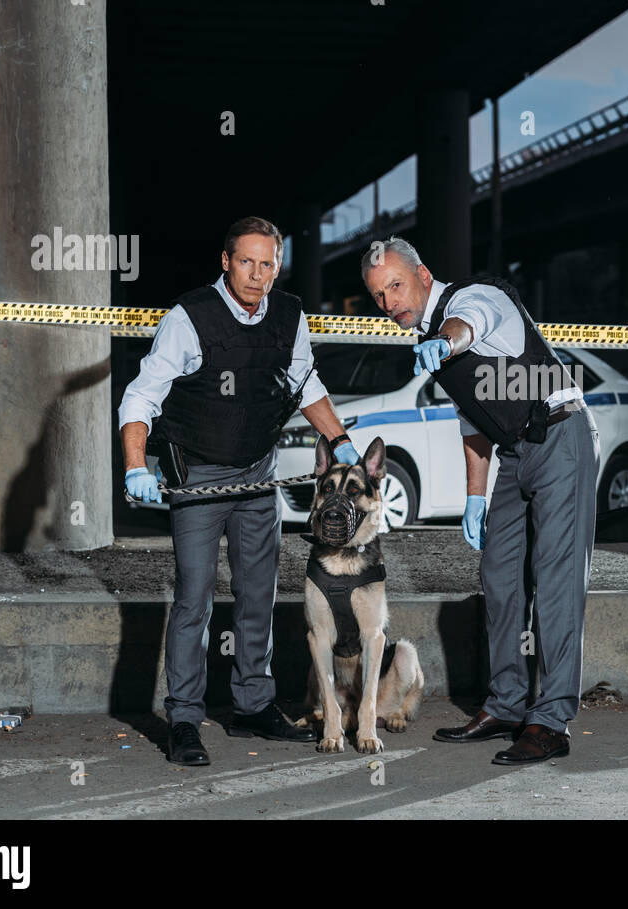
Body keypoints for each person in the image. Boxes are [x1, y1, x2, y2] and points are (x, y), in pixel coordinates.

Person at [118, 216, 360, 766]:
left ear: (278, 265)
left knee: (259, 595)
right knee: (194, 599)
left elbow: (304, 383)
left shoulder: (288, 315)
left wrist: (339, 439)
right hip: (199, 478)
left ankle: (254, 705)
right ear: (225, 262)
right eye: (246, 261)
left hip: (258, 473)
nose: (256, 274)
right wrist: (137, 465)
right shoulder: (190, 317)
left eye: (267, 263)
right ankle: (184, 717)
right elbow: (140, 398)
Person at [360, 236, 600, 765]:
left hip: (562, 435)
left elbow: (465, 328)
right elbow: (476, 422)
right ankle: (509, 705)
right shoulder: (430, 340)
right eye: (378, 296)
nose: (389, 302)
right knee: (499, 574)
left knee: (555, 578)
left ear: (422, 275)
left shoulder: (476, 299)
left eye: (395, 285)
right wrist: (475, 499)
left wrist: (444, 345)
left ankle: (552, 720)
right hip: (514, 452)